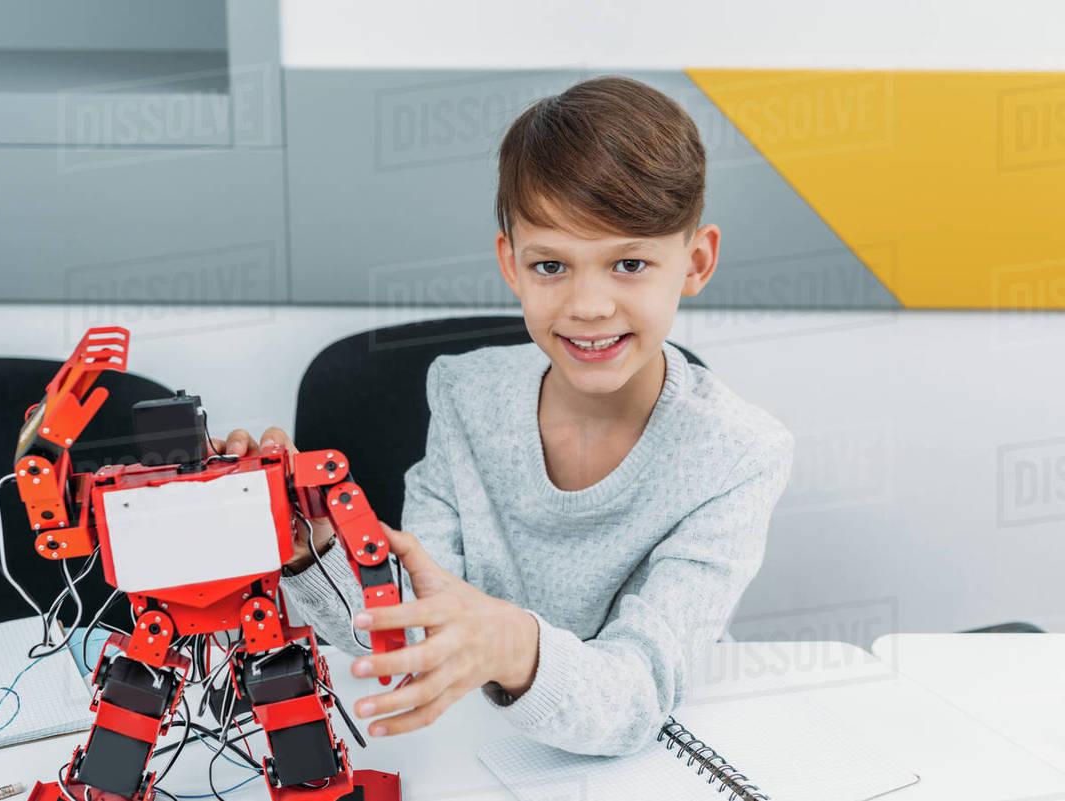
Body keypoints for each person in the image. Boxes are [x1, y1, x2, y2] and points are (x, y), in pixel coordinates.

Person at [211, 75, 794, 757]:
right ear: (510, 264)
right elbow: (407, 629)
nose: (589, 304)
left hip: (647, 766)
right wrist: (311, 547)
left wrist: (514, 645)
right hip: (479, 753)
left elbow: (640, 689)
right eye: (551, 265)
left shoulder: (739, 454)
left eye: (629, 263)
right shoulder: (464, 393)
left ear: (694, 262)